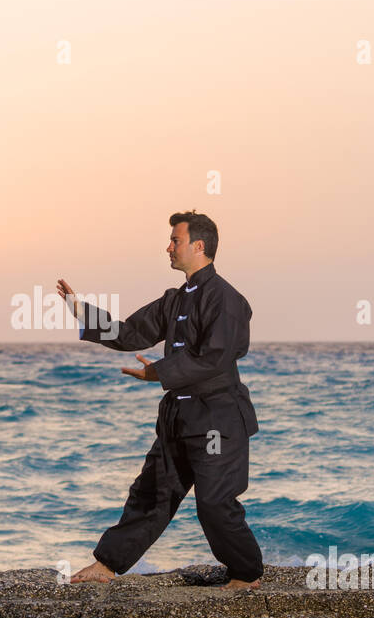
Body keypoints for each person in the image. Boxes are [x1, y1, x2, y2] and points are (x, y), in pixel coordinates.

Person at [56, 211, 265, 591]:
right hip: (178, 418)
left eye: (175, 240)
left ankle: (246, 574)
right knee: (151, 493)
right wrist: (81, 310)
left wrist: (159, 372)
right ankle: (107, 564)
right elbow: (132, 332)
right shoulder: (175, 300)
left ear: (199, 246)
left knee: (215, 505)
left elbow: (216, 356)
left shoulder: (227, 299)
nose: (168, 247)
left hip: (218, 419)